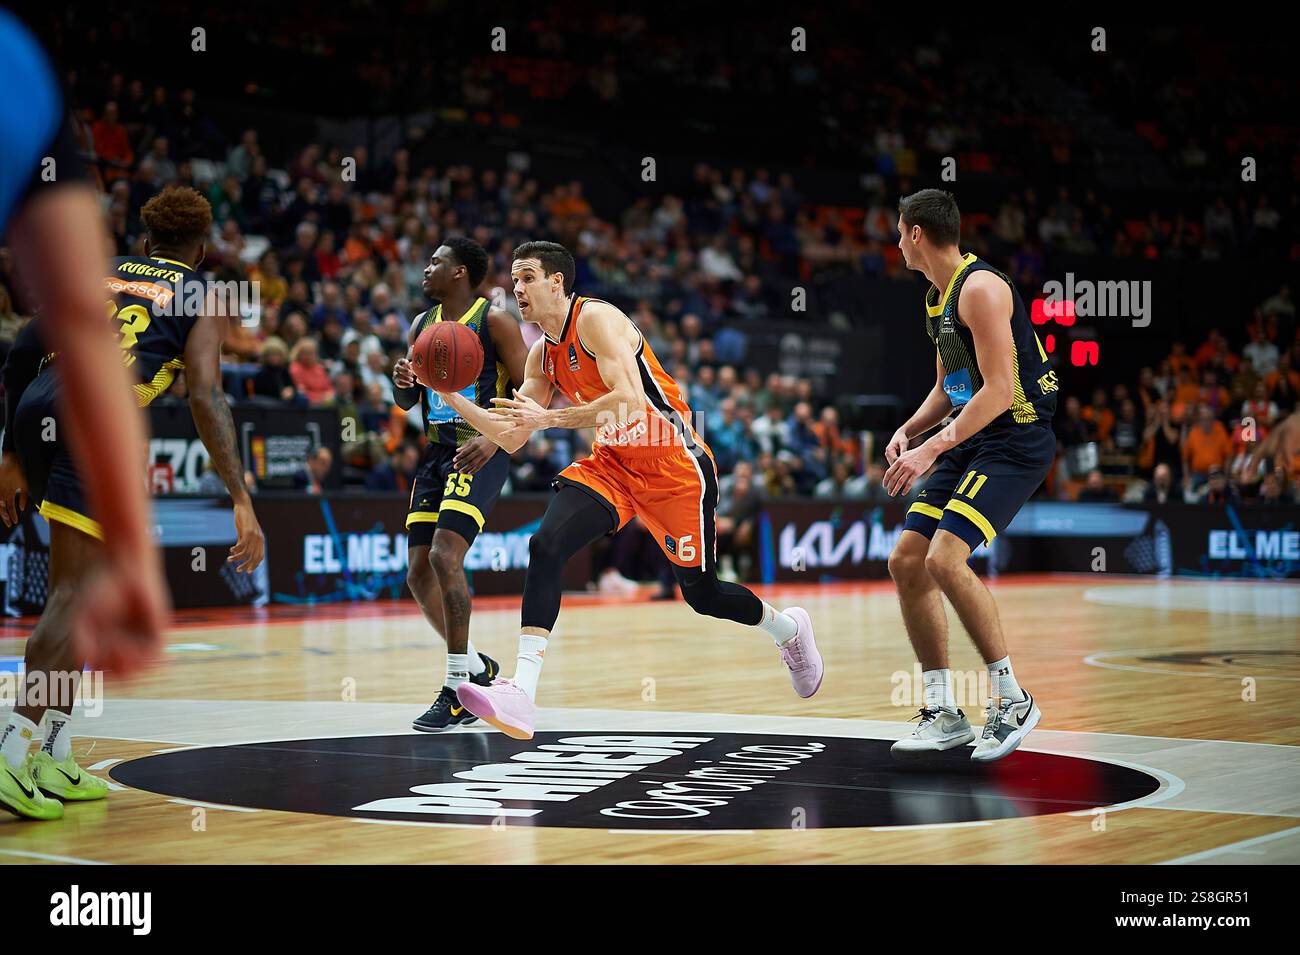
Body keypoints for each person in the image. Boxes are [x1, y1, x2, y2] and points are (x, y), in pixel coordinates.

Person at [440, 241, 821, 740]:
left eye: (528, 277)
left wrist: (550, 418)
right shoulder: (541, 354)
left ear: (557, 282)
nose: (518, 288)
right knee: (546, 545)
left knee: (702, 595)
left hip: (674, 464)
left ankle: (788, 631)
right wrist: (446, 392)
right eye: (514, 280)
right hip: (614, 465)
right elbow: (511, 433)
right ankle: (522, 694)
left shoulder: (596, 319)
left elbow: (630, 401)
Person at [0, 186, 265, 820]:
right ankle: (11, 751)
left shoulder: (102, 274)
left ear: (147, 243)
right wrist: (240, 497)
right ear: (201, 252)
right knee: (74, 596)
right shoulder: (204, 294)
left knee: (89, 595)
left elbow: (20, 352)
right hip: (97, 423)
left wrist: (12, 451)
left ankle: (53, 753)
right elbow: (206, 396)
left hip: (41, 411)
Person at [882, 190, 1057, 763]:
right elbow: (951, 388)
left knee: (944, 559)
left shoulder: (981, 289)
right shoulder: (937, 297)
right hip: (972, 432)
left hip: (1015, 438)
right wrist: (909, 431)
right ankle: (943, 710)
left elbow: (1000, 392)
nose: (895, 241)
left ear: (914, 233)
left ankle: (1012, 699)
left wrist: (929, 451)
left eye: (897, 231)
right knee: (907, 560)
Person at [390, 238, 527, 731]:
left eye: (435, 262)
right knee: (417, 574)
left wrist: (495, 442)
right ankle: (475, 665)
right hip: (435, 453)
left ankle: (455, 690)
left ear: (461, 273)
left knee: (445, 556)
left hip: (479, 450)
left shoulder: (494, 321)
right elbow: (406, 403)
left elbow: (532, 392)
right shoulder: (421, 325)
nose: (425, 268)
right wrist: (403, 381)